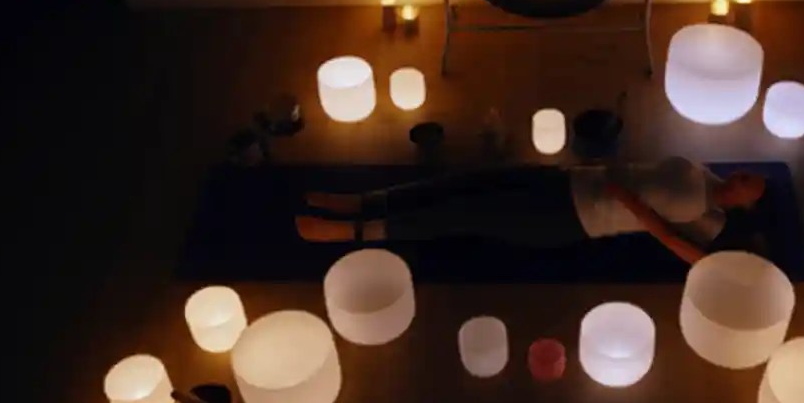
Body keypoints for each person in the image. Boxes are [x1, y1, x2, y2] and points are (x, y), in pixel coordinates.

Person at [294, 157, 769, 265]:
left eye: (751, 187)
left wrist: (633, 205)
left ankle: (350, 234)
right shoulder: (703, 173)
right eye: (748, 174)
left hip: (567, 218)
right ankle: (365, 201)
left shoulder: (710, 218)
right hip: (567, 178)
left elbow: (682, 249)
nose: (742, 179)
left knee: (461, 213)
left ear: (748, 206)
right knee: (465, 182)